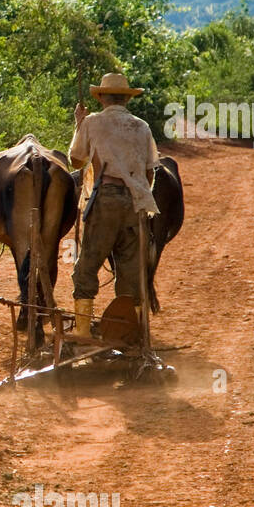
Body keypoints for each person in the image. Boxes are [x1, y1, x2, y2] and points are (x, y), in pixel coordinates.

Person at [68, 72, 160, 339]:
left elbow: (75, 161)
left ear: (103, 98)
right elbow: (150, 172)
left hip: (105, 199)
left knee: (86, 267)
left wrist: (79, 124)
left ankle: (84, 333)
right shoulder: (142, 126)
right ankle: (133, 333)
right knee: (131, 270)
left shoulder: (93, 122)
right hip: (136, 203)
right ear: (126, 100)